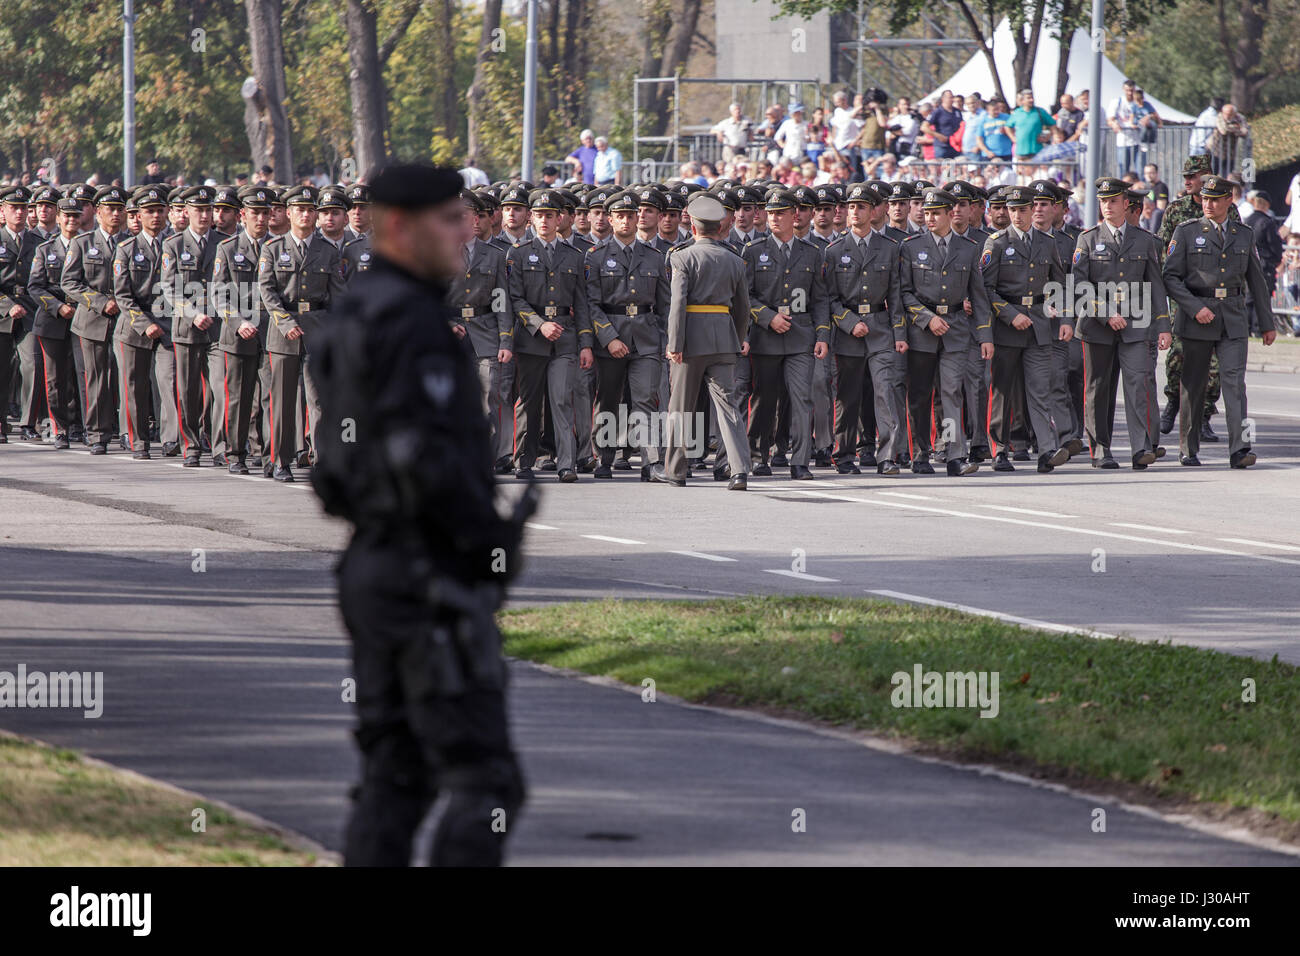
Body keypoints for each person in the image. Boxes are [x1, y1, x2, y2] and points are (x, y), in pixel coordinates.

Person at [307, 162, 530, 867]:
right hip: (423, 570)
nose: (467, 228)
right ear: (399, 226)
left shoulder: (361, 309)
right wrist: (486, 541)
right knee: (486, 784)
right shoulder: (411, 320)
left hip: (377, 563)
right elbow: (422, 459)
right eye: (449, 218)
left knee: (396, 777)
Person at [1162, 175, 1277, 467]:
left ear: (1229, 200)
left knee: (1235, 384)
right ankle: (1189, 447)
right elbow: (1171, 277)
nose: (1208, 204)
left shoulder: (1244, 233)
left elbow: (1257, 280)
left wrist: (1266, 322)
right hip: (1198, 316)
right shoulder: (1186, 231)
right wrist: (1192, 307)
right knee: (1193, 384)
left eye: (1215, 199)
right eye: (1205, 199)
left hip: (1233, 317)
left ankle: (1240, 448)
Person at [651, 193, 751, 489]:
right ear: (719, 226)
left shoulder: (682, 256)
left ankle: (675, 470)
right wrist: (737, 338)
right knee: (728, 408)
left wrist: (674, 344)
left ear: (692, 226)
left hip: (690, 341)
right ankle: (739, 470)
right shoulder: (734, 259)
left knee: (680, 408)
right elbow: (743, 308)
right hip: (723, 339)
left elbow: (678, 304)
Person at [1071, 177, 1171, 470]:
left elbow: (1155, 284)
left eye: (1113, 201)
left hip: (1136, 322)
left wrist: (1163, 325)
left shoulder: (1144, 240)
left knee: (1138, 383)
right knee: (1098, 389)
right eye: (1103, 201)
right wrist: (1105, 312)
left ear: (1126, 204)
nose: (1108, 207)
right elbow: (1077, 284)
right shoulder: (1087, 238)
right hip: (1097, 325)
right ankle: (1100, 449)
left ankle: (1141, 448)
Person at [899, 188, 992, 476]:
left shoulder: (967, 248)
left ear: (950, 214)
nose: (930, 218)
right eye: (926, 213)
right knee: (920, 395)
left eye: (936, 213)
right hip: (922, 331)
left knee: (952, 393)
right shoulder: (911, 246)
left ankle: (954, 454)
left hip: (955, 329)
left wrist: (985, 335)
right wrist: (926, 319)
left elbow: (978, 295)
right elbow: (904, 293)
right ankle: (920, 454)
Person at [981, 185, 1071, 473]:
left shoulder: (1047, 243)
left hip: (1039, 326)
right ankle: (999, 449)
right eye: (1012, 210)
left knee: (1039, 389)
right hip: (1007, 327)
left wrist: (1066, 318)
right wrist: (1009, 314)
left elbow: (1059, 285)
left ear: (1033, 210)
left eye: (1023, 210)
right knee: (1003, 391)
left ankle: (1046, 450)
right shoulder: (996, 243)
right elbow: (985, 289)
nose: (1017, 216)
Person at [1157, 153, 1238, 439]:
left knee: (1214, 363)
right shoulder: (1176, 211)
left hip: (1217, 299)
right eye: (1186, 177)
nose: (1188, 181)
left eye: (1193, 176)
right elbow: (1163, 253)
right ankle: (1173, 403)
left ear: (1207, 175)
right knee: (1178, 356)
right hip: (1184, 297)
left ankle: (1203, 415)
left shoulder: (1231, 210)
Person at [111, 185, 171, 460]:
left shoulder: (175, 245)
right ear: (138, 214)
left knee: (169, 381)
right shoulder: (126, 249)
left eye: (160, 210)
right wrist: (144, 323)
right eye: (149, 211)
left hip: (168, 323)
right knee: (134, 386)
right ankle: (138, 441)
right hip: (134, 327)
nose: (155, 216)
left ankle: (172, 438)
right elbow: (122, 295)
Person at [1003, 90, 1055, 172]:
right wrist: (1013, 138)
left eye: (1032, 98)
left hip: (1037, 150)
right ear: (1022, 100)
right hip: (1021, 151)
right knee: (1022, 175)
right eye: (1028, 98)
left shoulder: (1040, 111)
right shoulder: (1017, 113)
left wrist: (1047, 136)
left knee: (1037, 175)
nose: (1031, 100)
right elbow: (1007, 126)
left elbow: (1053, 125)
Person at [1244, 191, 1283, 295]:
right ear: (1267, 205)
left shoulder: (1246, 221)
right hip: (1264, 266)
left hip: (1248, 265)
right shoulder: (1267, 222)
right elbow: (1275, 245)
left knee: (1249, 301)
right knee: (1263, 302)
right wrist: (1277, 260)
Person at [1109, 80, 1142, 175]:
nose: (1130, 93)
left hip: (1137, 141)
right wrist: (1114, 124)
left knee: (1140, 170)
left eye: (1132, 90)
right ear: (1123, 89)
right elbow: (1110, 119)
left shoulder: (1140, 102)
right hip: (1122, 141)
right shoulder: (1117, 102)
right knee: (1123, 169)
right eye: (1127, 90)